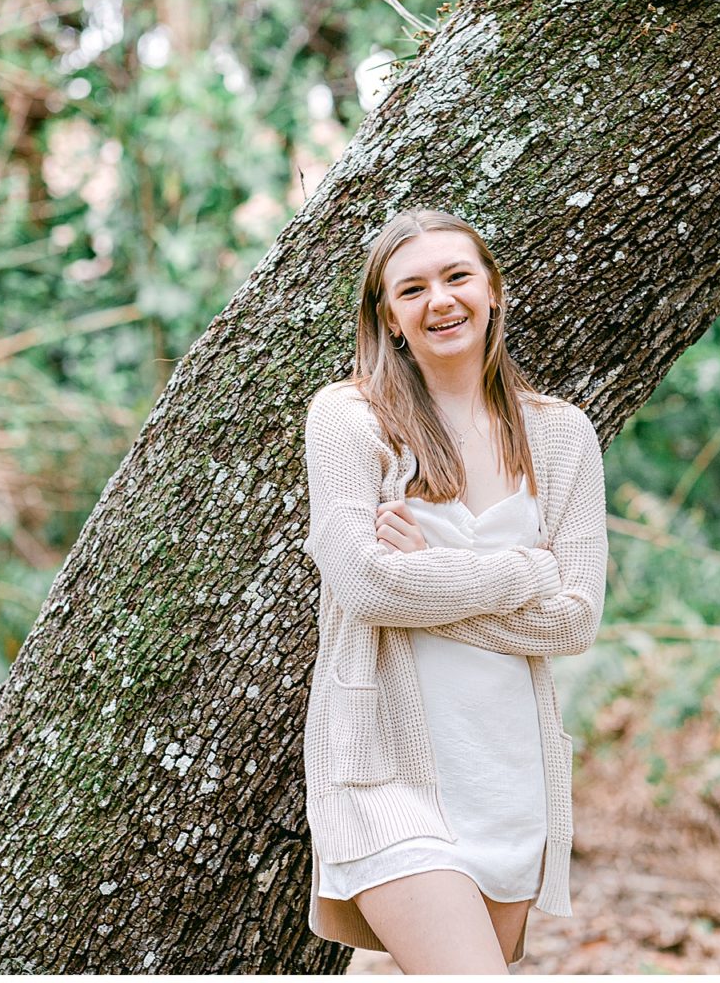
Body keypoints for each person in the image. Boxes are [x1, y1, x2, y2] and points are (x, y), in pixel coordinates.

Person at [300, 208, 608, 972]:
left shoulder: (563, 435)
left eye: (457, 276)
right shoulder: (349, 420)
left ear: (493, 291)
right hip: (380, 769)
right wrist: (523, 573)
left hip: (508, 774)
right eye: (413, 288)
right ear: (389, 317)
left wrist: (425, 581)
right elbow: (367, 587)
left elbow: (574, 622)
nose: (440, 299)